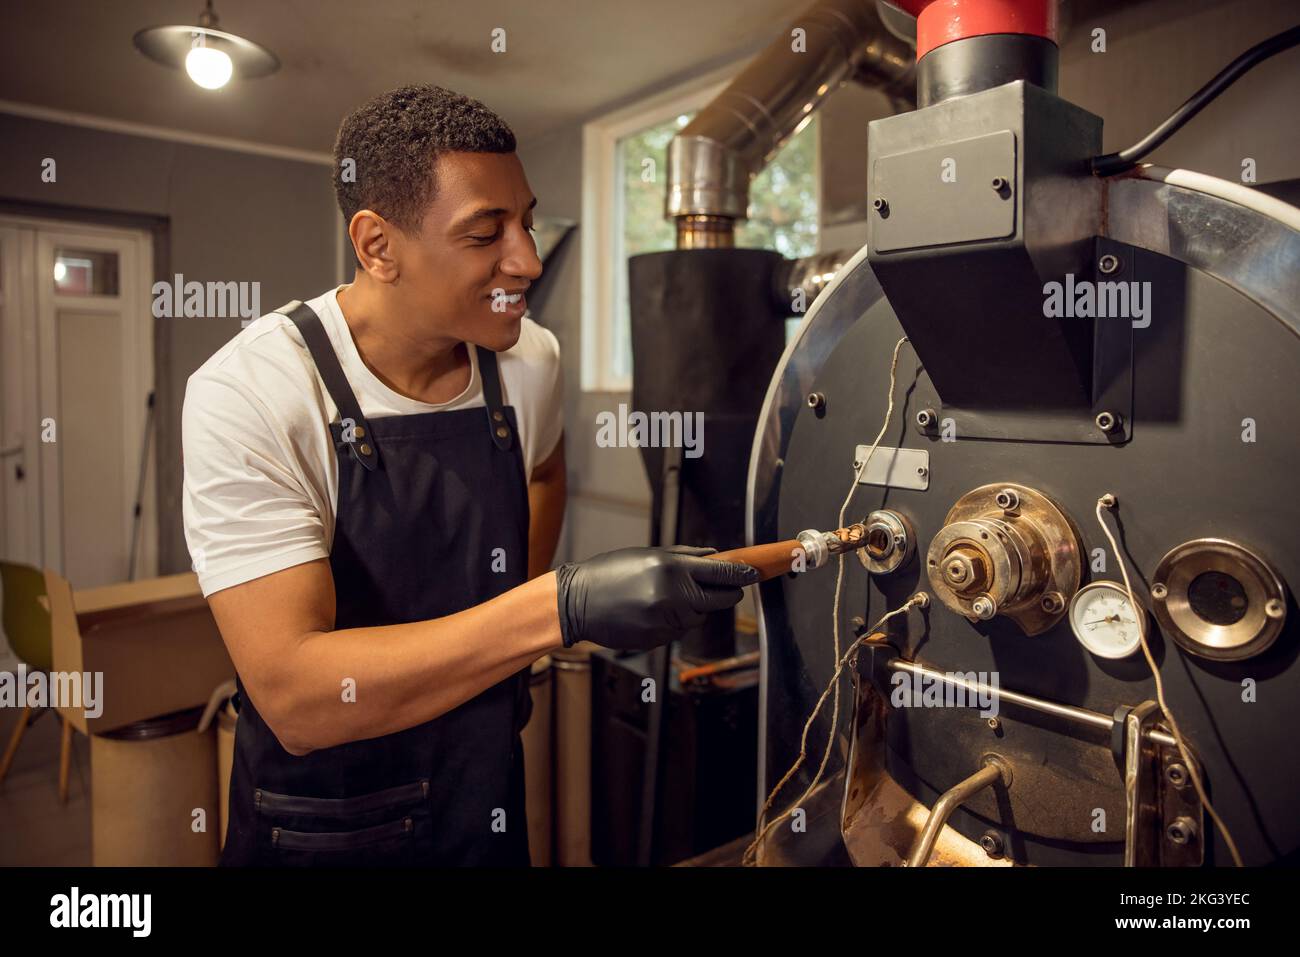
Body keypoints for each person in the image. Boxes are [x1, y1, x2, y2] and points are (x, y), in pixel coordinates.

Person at [181, 84, 756, 866]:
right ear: (378, 245)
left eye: (525, 220)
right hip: (328, 819)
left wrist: (514, 612)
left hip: (482, 782)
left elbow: (545, 470)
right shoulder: (253, 390)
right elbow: (298, 696)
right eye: (486, 232)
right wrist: (554, 609)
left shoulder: (529, 360)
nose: (526, 259)